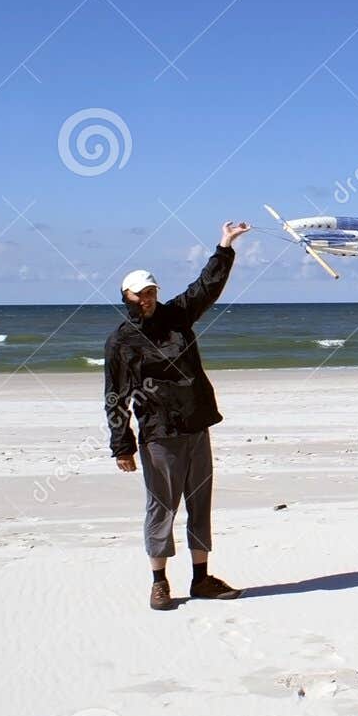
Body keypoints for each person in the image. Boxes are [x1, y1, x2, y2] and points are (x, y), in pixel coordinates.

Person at [104, 220, 251, 610]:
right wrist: (122, 444)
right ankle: (159, 583)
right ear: (127, 297)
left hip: (196, 425)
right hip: (157, 435)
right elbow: (114, 396)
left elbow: (207, 286)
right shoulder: (120, 341)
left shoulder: (178, 316)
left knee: (200, 505)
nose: (147, 298)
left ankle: (201, 579)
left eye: (151, 292)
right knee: (162, 508)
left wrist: (225, 244)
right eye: (140, 294)